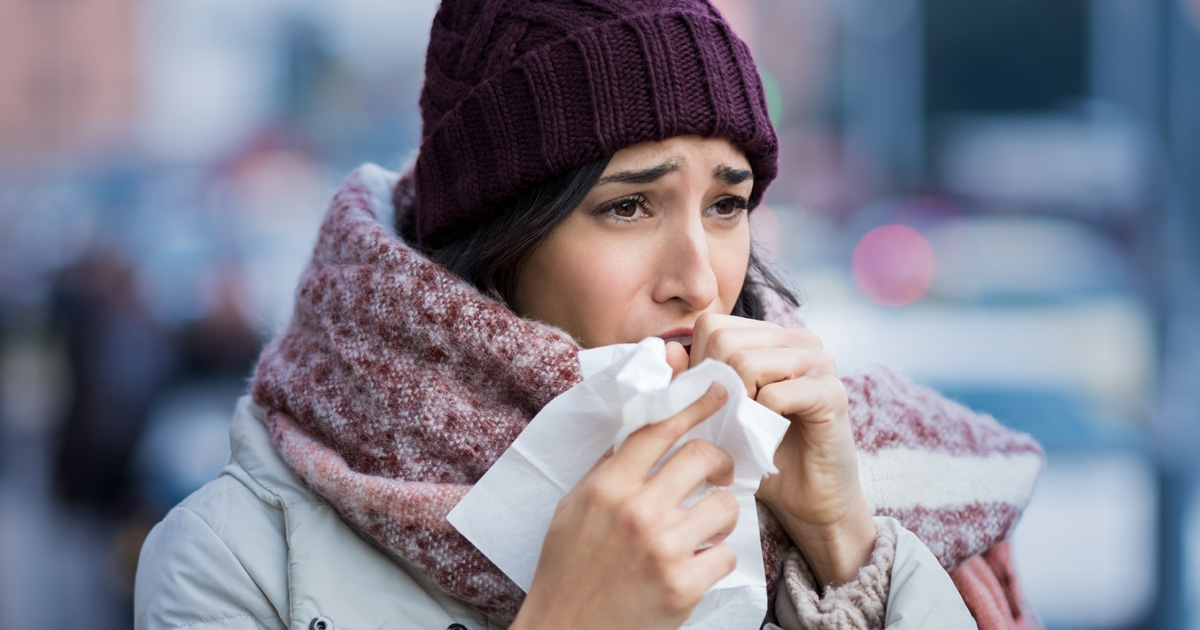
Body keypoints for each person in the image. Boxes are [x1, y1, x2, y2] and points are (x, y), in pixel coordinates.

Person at [135, 1, 1044, 629]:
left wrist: (849, 550)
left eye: (726, 205)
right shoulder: (237, 558)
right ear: (499, 237)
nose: (699, 278)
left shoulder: (828, 465)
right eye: (628, 207)